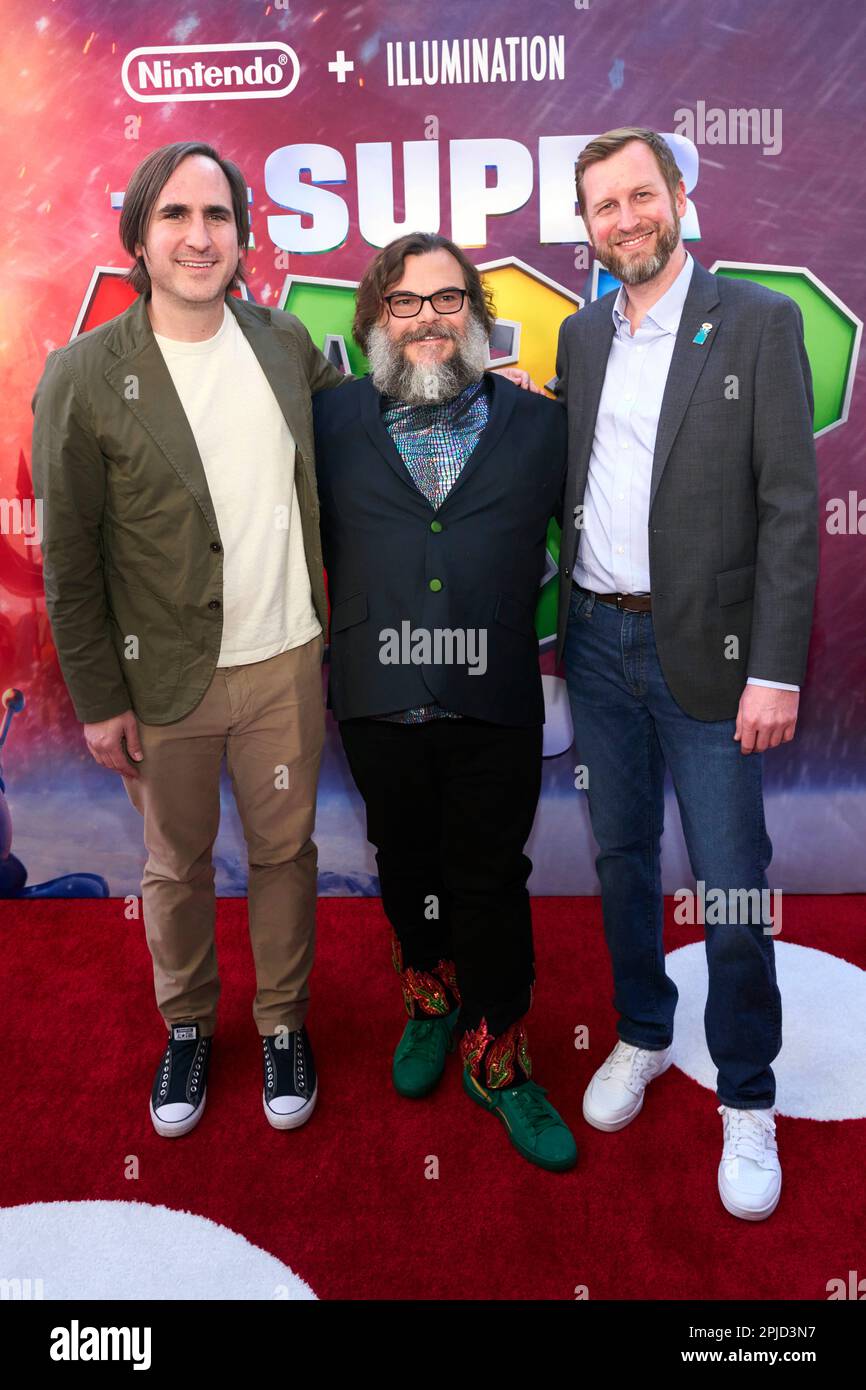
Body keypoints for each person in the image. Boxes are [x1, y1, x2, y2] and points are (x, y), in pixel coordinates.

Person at [31, 141, 349, 1137]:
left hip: (286, 661)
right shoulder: (84, 376)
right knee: (173, 864)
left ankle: (282, 1018)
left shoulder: (287, 343)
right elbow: (69, 560)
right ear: (139, 234)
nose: (198, 236)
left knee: (285, 851)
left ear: (244, 239)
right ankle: (187, 1024)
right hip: (157, 678)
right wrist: (96, 699)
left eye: (217, 217)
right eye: (175, 215)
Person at [554, 128, 818, 1218]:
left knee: (729, 880)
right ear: (586, 228)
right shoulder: (577, 337)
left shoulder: (755, 322)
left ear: (676, 197)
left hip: (709, 654)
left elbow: (788, 512)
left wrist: (773, 671)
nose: (622, 219)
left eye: (638, 195)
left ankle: (745, 1095)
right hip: (594, 644)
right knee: (619, 859)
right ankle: (643, 1031)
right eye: (601, 206)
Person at [313, 232, 576, 1172]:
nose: (428, 318)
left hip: (494, 696)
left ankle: (499, 1055)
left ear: (477, 313)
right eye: (405, 301)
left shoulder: (543, 426)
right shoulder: (327, 421)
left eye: (448, 299)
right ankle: (430, 999)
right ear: (377, 317)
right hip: (377, 694)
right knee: (403, 860)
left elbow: (591, 552)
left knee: (493, 879)